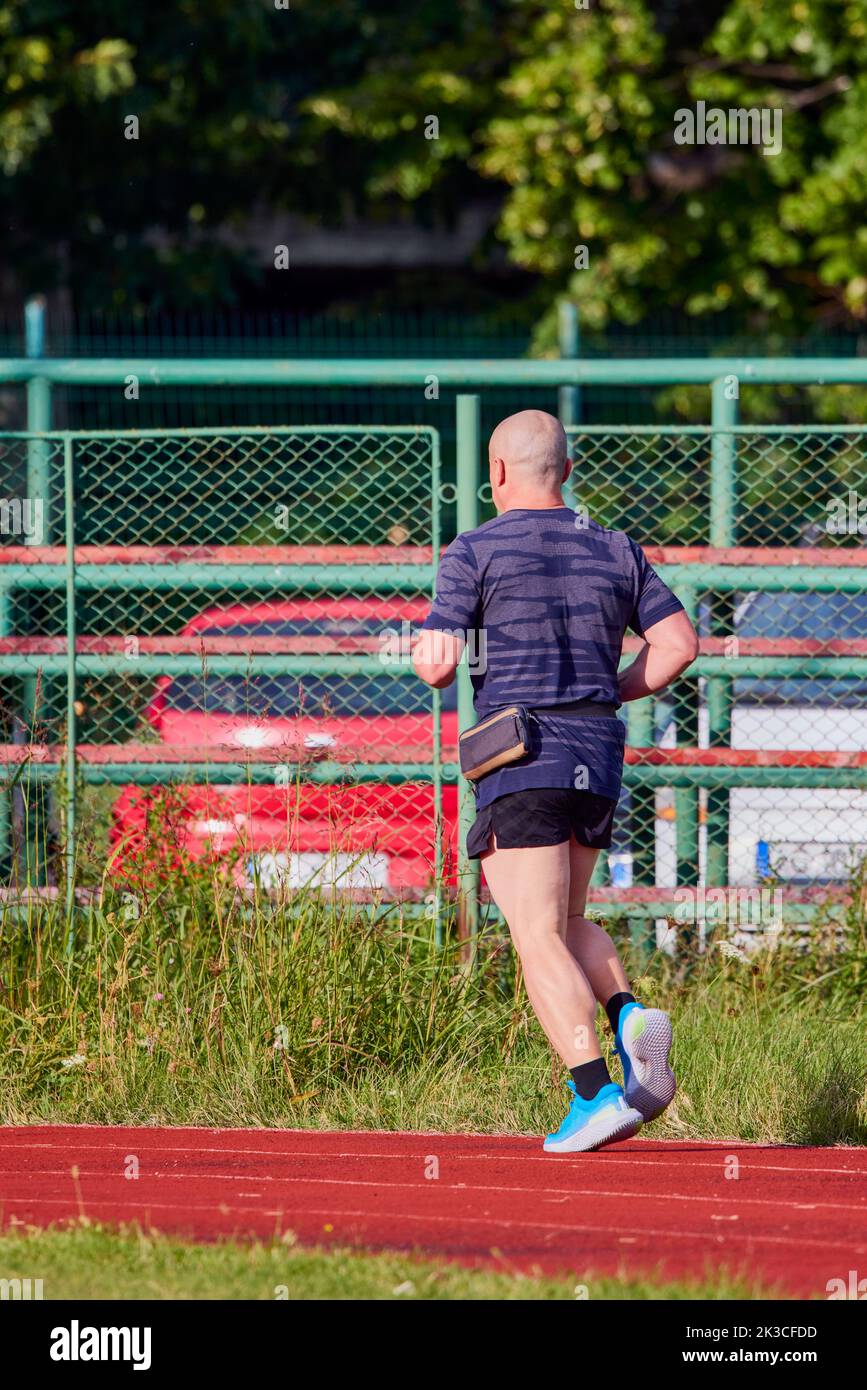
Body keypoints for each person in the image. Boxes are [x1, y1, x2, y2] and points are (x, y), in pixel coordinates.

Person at [413, 409, 699, 1153]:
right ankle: (628, 1014)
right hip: (596, 755)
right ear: (565, 473)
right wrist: (605, 688)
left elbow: (438, 664)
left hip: (520, 755)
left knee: (533, 931)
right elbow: (677, 646)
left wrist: (434, 644)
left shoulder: (472, 549)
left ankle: (593, 1092)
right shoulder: (613, 546)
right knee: (567, 919)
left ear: (496, 474)